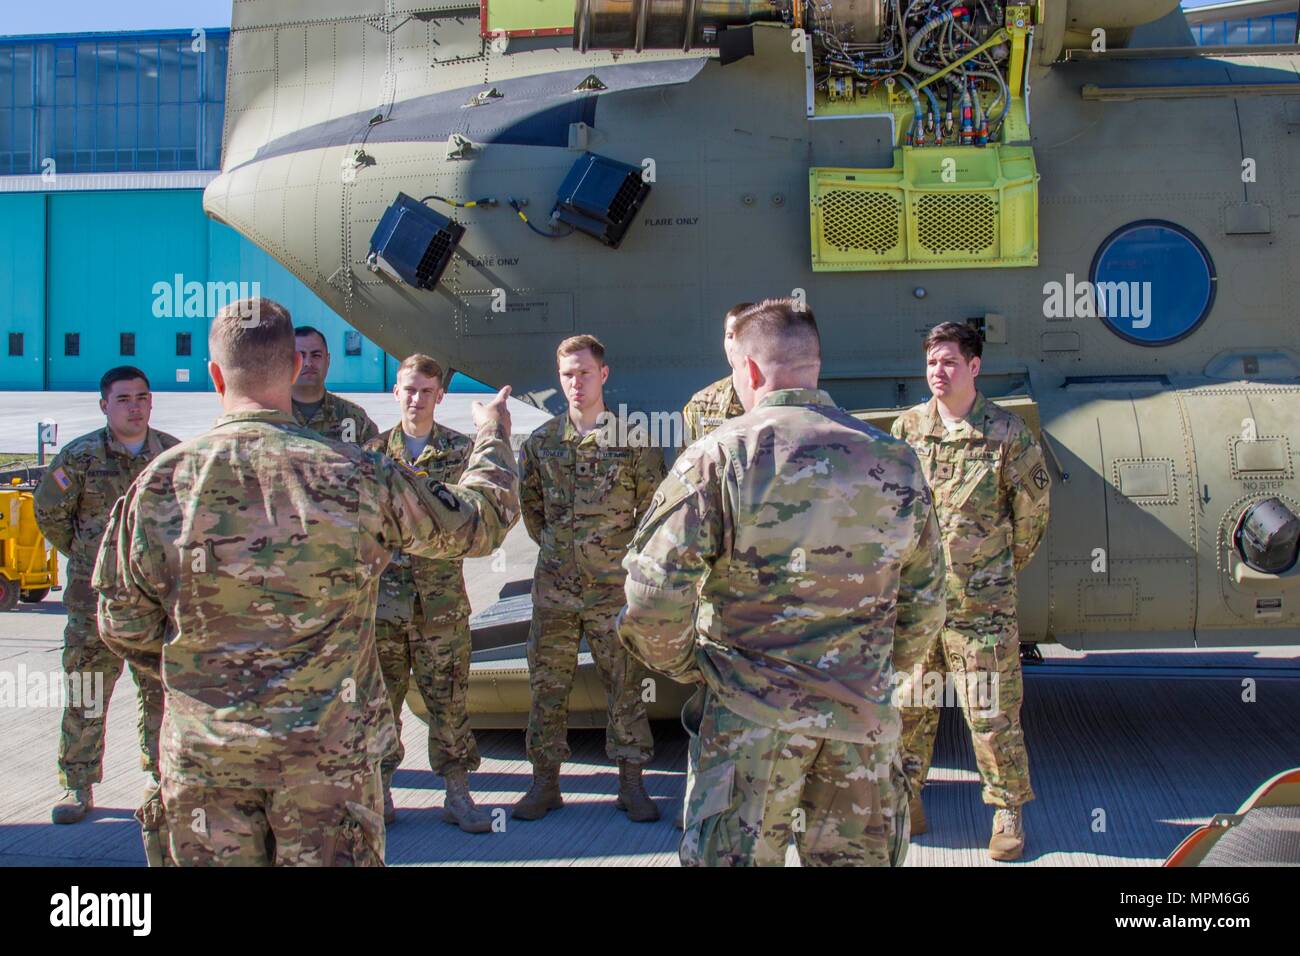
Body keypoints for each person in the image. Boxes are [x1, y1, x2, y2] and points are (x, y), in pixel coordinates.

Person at [92, 298, 519, 866]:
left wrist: (206, 674)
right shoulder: (356, 475)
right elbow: (479, 522)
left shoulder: (160, 483)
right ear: (294, 371)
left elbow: (122, 620)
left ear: (215, 375)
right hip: (326, 764)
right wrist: (491, 435)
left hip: (206, 761)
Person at [619, 298, 946, 867]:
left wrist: (696, 668)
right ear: (815, 364)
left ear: (747, 370)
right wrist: (874, 672)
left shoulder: (719, 456)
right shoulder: (896, 459)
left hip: (751, 725)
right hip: (861, 729)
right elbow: (928, 598)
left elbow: (652, 598)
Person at [891, 321, 1051, 862]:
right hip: (917, 604)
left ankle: (1007, 811)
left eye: (950, 363)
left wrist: (995, 570)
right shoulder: (907, 429)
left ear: (974, 367)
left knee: (991, 715)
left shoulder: (1006, 434)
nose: (939, 372)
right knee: (909, 707)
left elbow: (1032, 517)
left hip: (981, 608)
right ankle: (906, 798)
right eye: (932, 362)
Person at [513, 334, 663, 822]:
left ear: (604, 374)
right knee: (547, 687)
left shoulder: (634, 441)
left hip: (612, 592)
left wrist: (614, 562)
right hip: (555, 590)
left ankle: (631, 784)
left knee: (625, 685)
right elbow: (532, 512)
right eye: (566, 375)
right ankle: (545, 783)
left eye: (583, 372)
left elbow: (652, 512)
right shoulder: (541, 443)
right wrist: (564, 554)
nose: (575, 383)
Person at [33, 368, 178, 851]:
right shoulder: (79, 457)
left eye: (141, 398)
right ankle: (78, 783)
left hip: (155, 604)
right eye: (123, 399)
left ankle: (160, 777)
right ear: (104, 405)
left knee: (160, 695)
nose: (134, 407)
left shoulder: (172, 456)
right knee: (87, 691)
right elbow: (49, 512)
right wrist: (86, 552)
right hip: (93, 602)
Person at [364, 353, 488, 832]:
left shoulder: (462, 452)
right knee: (380, 703)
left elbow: (477, 517)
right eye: (408, 390)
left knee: (450, 703)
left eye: (426, 391)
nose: (416, 399)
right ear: (396, 393)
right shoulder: (372, 455)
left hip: (441, 607)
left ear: (441, 396)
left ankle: (458, 795)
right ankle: (381, 793)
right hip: (384, 607)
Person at [291, 325, 379, 444]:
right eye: (301, 356)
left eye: (316, 355)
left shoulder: (353, 418)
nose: (308, 363)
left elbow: (375, 459)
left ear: (328, 360)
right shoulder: (272, 416)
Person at [680, 303, 750, 445]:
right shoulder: (701, 405)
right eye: (730, 336)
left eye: (744, 335)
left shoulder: (779, 401)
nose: (735, 344)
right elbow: (690, 462)